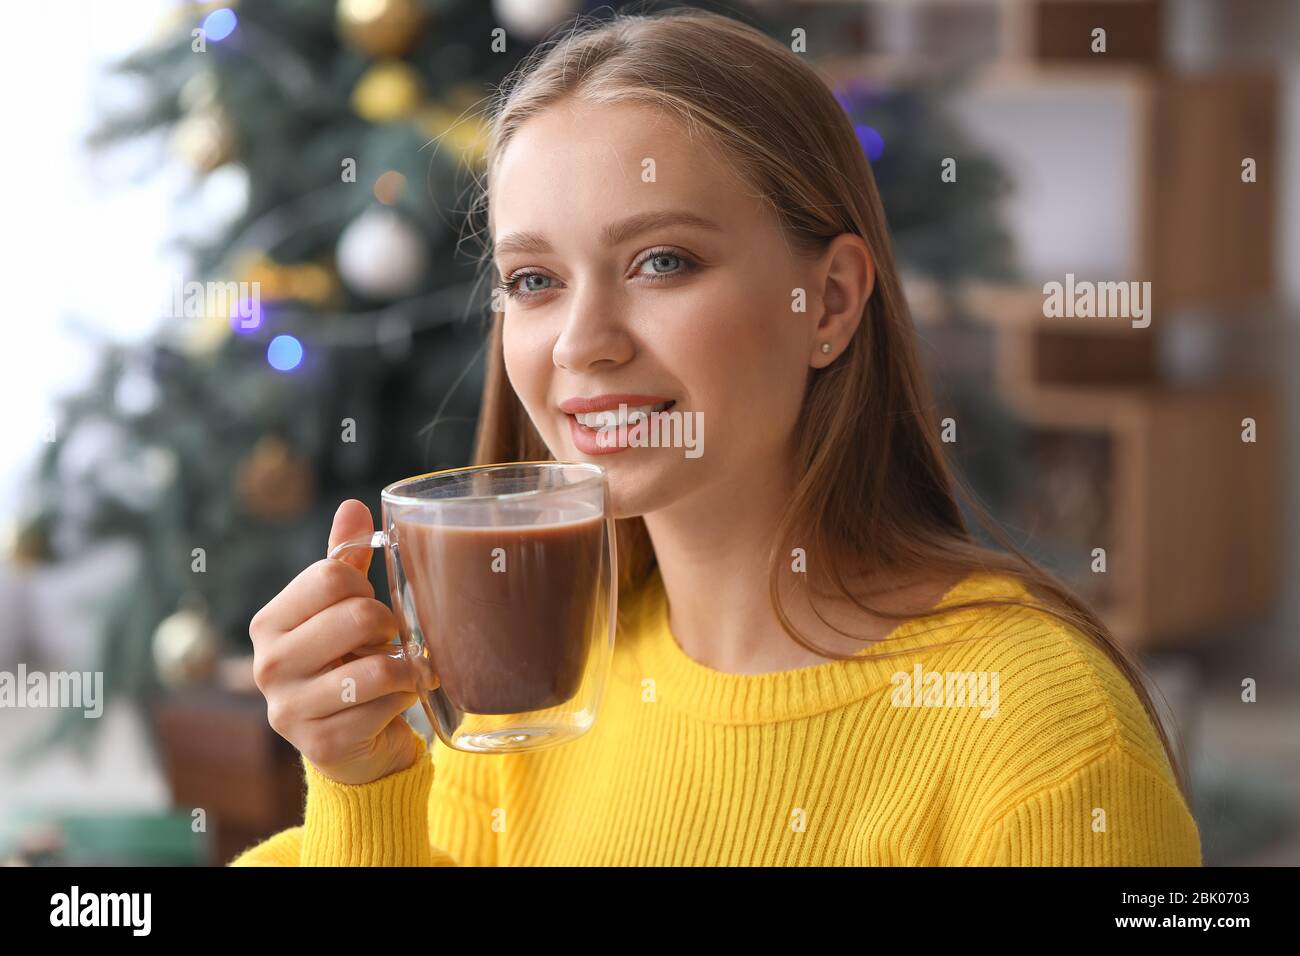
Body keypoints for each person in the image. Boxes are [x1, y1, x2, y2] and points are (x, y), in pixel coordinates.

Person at [230, 8, 1201, 866]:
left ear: (827, 300)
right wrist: (358, 781)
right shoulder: (532, 695)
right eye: (535, 279)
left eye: (661, 261)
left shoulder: (1038, 733)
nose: (582, 342)